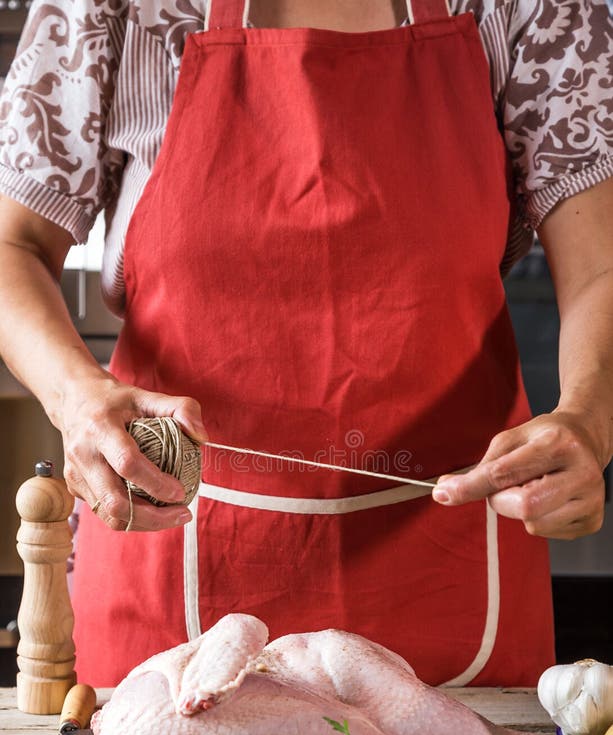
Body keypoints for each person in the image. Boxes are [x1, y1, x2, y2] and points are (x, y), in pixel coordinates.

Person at [0, 0, 611, 688]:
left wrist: (587, 421)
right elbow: (10, 244)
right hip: (174, 556)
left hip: (454, 563)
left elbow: (599, 266)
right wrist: (75, 399)